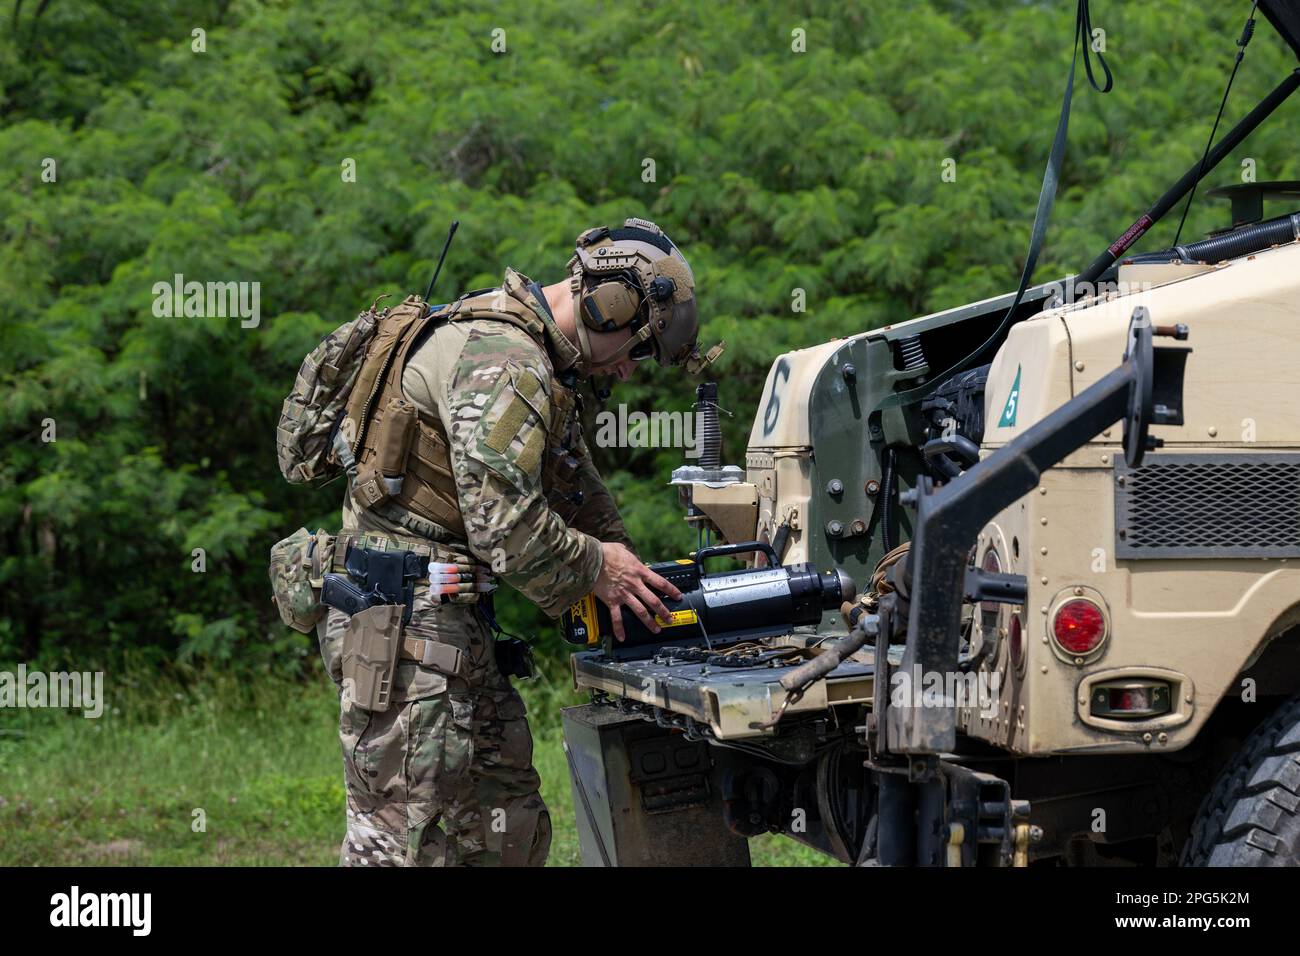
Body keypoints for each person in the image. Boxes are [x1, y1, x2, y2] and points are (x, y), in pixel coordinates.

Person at [326, 217, 711, 865]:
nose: (628, 372)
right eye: (638, 348)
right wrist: (598, 569)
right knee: (403, 844)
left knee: (506, 831)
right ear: (607, 304)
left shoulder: (535, 359)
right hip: (404, 638)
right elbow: (502, 526)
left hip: (446, 626)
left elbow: (573, 487)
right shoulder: (504, 363)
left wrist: (640, 587)